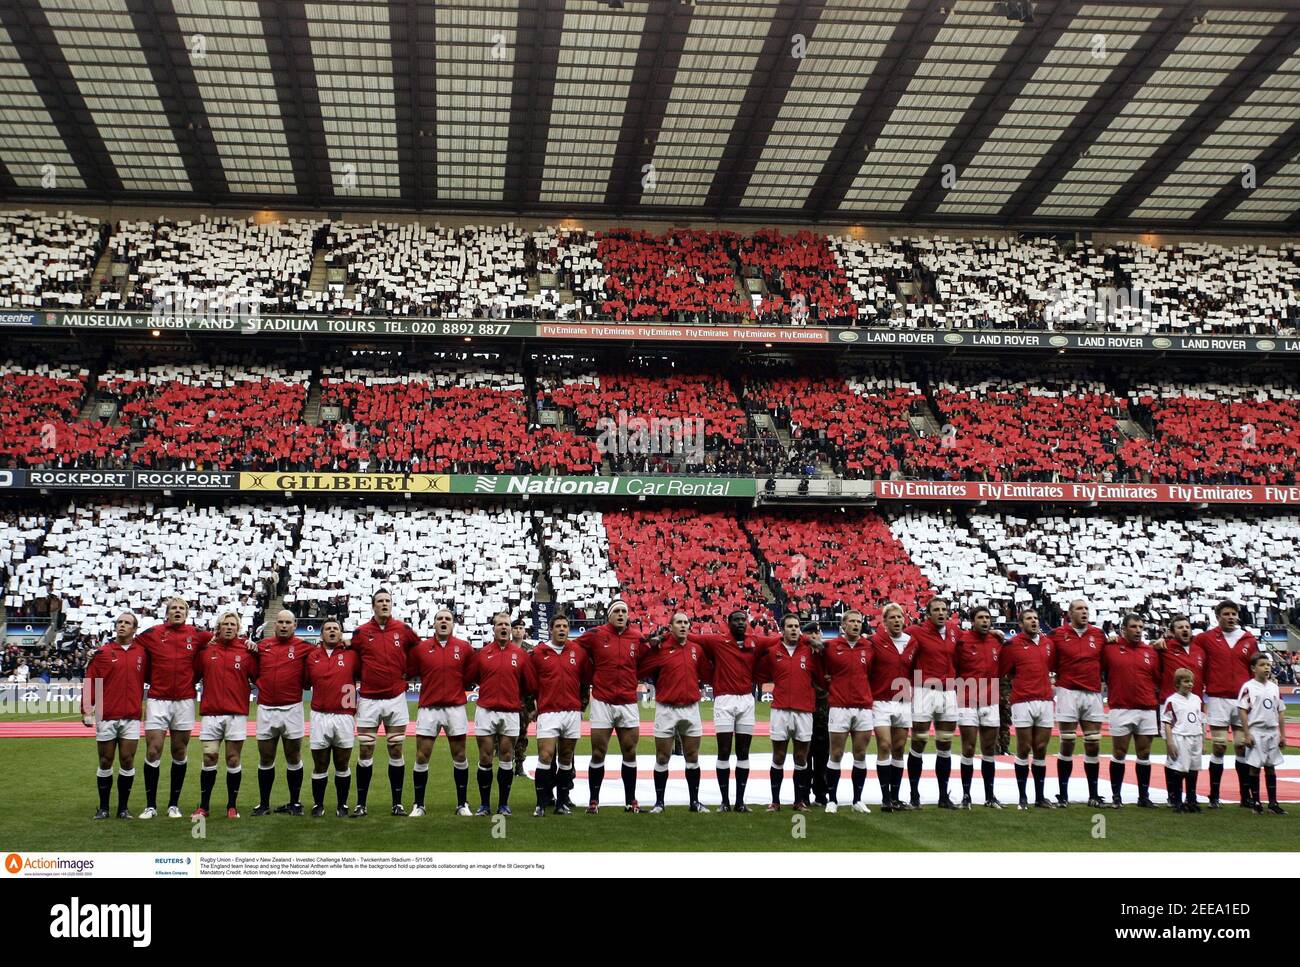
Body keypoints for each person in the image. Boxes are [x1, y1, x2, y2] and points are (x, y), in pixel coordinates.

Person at [686, 609, 779, 812]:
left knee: (743, 752)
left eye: (743, 620)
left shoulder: (755, 641)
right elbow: (691, 636)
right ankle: (724, 801)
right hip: (724, 700)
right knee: (724, 751)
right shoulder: (717, 641)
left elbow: (778, 639)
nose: (740, 623)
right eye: (736, 620)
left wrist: (805, 639)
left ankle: (740, 802)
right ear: (728, 623)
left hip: (746, 700)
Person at [135, 596, 212, 819]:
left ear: (187, 614)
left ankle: (173, 804)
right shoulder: (153, 633)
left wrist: (249, 643)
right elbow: (130, 646)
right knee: (153, 750)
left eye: (181, 608)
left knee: (179, 751)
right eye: (173, 608)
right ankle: (150, 805)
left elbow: (223, 638)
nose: (177, 611)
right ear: (166, 613)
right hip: (158, 699)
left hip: (185, 700)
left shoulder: (197, 634)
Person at [348, 589, 420, 817]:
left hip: (396, 698)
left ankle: (397, 803)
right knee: (366, 750)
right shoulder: (360, 633)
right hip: (369, 699)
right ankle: (361, 803)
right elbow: (350, 656)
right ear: (373, 606)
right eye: (380, 601)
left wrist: (407, 674)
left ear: (392, 604)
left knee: (396, 749)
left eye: (387, 601)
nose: (384, 604)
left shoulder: (404, 630)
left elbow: (419, 653)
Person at [574, 599, 646, 813]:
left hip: (627, 701)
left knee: (630, 752)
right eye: (617, 611)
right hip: (602, 701)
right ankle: (593, 801)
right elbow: (574, 650)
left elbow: (645, 661)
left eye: (624, 611)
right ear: (609, 615)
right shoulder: (596, 635)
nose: (621, 614)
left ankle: (630, 801)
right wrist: (590, 675)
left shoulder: (637, 637)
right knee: (598, 752)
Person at [638, 612, 712, 813]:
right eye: (678, 622)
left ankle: (694, 802)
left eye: (686, 622)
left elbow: (707, 673)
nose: (683, 625)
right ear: (670, 627)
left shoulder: (696, 649)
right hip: (666, 709)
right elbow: (640, 669)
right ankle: (659, 803)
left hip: (691, 708)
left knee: (692, 757)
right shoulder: (660, 649)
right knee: (662, 757)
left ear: (690, 626)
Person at [406, 607, 475, 817]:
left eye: (447, 619)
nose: (443, 621)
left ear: (453, 624)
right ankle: (419, 805)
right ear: (433, 624)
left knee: (460, 754)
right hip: (429, 708)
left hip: (455, 707)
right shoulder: (421, 648)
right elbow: (409, 671)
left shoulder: (464, 648)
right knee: (422, 755)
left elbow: (470, 676)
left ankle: (462, 804)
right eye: (440, 619)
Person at [1193, 600, 1259, 809]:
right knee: (1219, 745)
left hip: (1241, 699)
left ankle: (1245, 795)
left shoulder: (1248, 639)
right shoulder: (1205, 638)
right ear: (1217, 616)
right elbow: (1187, 646)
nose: (1231, 617)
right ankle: (1214, 795)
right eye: (1226, 614)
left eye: (1233, 614)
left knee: (1241, 746)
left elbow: (1254, 669)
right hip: (1218, 697)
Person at [81, 612, 148, 819]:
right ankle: (103, 808)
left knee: (127, 761)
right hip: (106, 714)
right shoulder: (102, 652)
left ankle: (123, 808)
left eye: (127, 623)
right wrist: (86, 709)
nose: (122, 625)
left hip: (131, 716)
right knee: (105, 761)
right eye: (119, 622)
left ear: (135, 629)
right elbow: (91, 681)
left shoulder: (143, 653)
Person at [192, 612, 258, 819]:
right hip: (211, 714)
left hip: (236, 715)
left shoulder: (246, 651)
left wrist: (256, 651)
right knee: (210, 757)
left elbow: (258, 676)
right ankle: (204, 806)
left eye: (232, 624)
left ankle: (232, 806)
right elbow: (192, 674)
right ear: (218, 627)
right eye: (224, 624)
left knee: (232, 759)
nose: (228, 627)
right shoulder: (206, 651)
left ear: (237, 628)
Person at [468, 612, 533, 816]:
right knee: (485, 757)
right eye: (500, 624)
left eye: (506, 624)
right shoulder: (483, 653)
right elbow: (472, 678)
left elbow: (529, 684)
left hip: (511, 711)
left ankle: (503, 804)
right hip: (486, 711)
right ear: (493, 628)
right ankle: (485, 805)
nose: (503, 627)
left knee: (507, 757)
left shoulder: (521, 655)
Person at [249, 610, 311, 817]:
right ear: (275, 625)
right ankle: (264, 804)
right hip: (266, 708)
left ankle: (295, 803)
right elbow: (253, 671)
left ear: (295, 625)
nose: (284, 626)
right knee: (266, 757)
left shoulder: (304, 648)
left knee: (293, 756)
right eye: (280, 622)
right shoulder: (263, 647)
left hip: (292, 708)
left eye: (288, 622)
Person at [529, 613, 591, 816]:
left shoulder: (578, 652)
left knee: (566, 758)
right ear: (551, 629)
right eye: (558, 626)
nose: (562, 629)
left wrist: (581, 705)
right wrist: (532, 706)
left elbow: (585, 682)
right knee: (545, 755)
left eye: (565, 626)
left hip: (571, 712)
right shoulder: (539, 652)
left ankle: (562, 803)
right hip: (548, 711)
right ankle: (540, 803)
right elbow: (529, 683)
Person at [758, 614, 821, 812]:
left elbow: (820, 675)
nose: (794, 629)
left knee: (801, 758)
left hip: (804, 711)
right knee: (778, 756)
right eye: (790, 626)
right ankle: (775, 801)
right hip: (780, 710)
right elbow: (762, 673)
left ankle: (799, 801)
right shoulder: (772, 651)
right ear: (782, 630)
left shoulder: (810, 650)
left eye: (797, 626)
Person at [816, 609, 873, 814]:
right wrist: (827, 684)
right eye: (852, 621)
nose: (856, 625)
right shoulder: (831, 646)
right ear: (844, 625)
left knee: (860, 754)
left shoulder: (869, 646)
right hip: (839, 707)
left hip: (864, 707)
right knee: (836, 753)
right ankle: (832, 799)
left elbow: (873, 674)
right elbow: (820, 669)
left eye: (859, 621)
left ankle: (857, 800)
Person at [1050, 599, 1106, 808]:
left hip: (1092, 692)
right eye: (1079, 609)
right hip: (1068, 691)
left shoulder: (1099, 635)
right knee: (1068, 741)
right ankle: (1063, 795)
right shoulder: (1057, 634)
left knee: (1093, 743)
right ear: (1069, 614)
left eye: (1086, 609)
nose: (1084, 612)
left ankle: (1094, 794)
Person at [1102, 614, 1161, 808]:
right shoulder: (1109, 648)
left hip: (1146, 708)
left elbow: (1158, 678)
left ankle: (1143, 796)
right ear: (1123, 629)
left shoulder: (1150, 651)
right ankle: (1116, 796)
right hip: (1121, 707)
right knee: (1119, 752)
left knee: (1144, 753)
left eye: (1140, 627)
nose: (1138, 630)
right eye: (1134, 626)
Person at [999, 608, 1055, 809]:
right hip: (1022, 700)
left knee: (1040, 749)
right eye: (1029, 619)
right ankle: (1022, 797)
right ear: (1021, 624)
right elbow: (1002, 671)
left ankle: (1040, 797)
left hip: (1046, 700)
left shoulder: (1049, 643)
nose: (1034, 621)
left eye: (1036, 618)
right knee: (1024, 748)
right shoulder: (1012, 645)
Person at [303, 618, 359, 817]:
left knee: (342, 763)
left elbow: (362, 676)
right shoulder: (312, 656)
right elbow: (305, 682)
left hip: (344, 715)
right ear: (322, 634)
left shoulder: (352, 654)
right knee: (320, 763)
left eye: (336, 628)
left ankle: (342, 805)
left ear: (341, 633)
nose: (332, 631)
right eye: (328, 629)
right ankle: (318, 804)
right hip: (319, 715)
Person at [907, 597, 959, 809]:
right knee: (918, 741)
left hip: (948, 692)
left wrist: (994, 632)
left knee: (945, 744)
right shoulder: (916, 632)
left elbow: (973, 637)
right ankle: (914, 795)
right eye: (936, 610)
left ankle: (943, 797)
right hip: (924, 691)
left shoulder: (955, 632)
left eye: (944, 610)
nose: (940, 613)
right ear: (928, 614)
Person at [869, 602, 918, 811]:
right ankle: (885, 797)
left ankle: (895, 797)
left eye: (900, 617)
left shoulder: (912, 643)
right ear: (884, 622)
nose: (897, 621)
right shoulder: (874, 642)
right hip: (880, 701)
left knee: (899, 749)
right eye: (893, 618)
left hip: (903, 702)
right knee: (885, 746)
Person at [954, 605, 1003, 809]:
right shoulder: (962, 641)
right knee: (968, 747)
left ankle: (990, 796)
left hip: (990, 699)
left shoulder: (996, 641)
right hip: (967, 700)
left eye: (987, 618)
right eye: (981, 617)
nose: (985, 621)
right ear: (973, 621)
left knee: (989, 749)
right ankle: (966, 795)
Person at [1237, 652, 1287, 815]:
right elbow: (1243, 710)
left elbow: (1280, 712)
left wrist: (1282, 734)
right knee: (1254, 768)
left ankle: (1273, 803)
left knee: (1271, 767)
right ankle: (1256, 802)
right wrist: (1247, 733)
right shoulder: (1248, 687)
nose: (1266, 668)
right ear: (1253, 668)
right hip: (1256, 731)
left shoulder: (1274, 687)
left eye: (1268, 665)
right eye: (1262, 665)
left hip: (1272, 732)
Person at [1161, 667, 1204, 813]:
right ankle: (1177, 801)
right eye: (1186, 681)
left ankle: (1191, 800)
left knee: (1193, 769)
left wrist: (1202, 739)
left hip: (1196, 736)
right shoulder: (1172, 701)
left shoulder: (1197, 699)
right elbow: (1167, 722)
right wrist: (1170, 741)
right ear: (1177, 684)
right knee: (1180, 770)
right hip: (1181, 737)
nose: (1190, 684)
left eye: (1191, 681)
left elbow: (1200, 720)